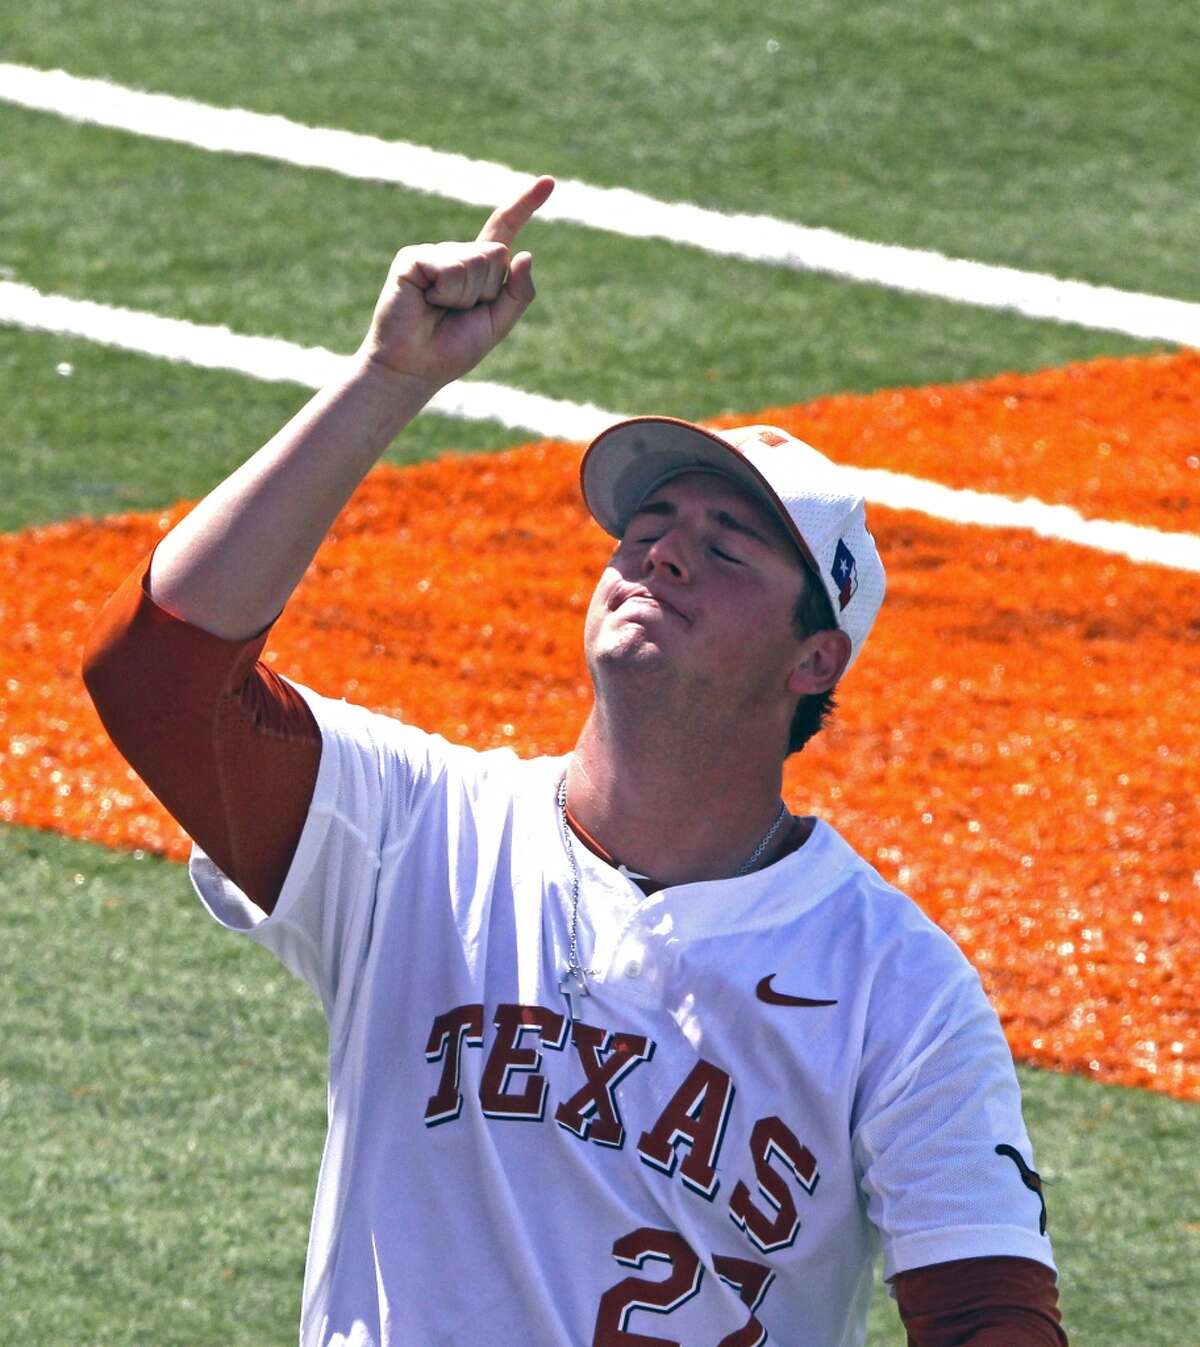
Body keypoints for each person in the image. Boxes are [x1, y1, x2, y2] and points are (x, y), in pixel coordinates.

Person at [83, 176, 1068, 1346]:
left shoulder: (895, 989)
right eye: (646, 529)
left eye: (727, 545)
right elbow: (158, 678)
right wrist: (386, 382)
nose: (662, 556)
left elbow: (989, 1316)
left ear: (815, 661)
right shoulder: (417, 832)